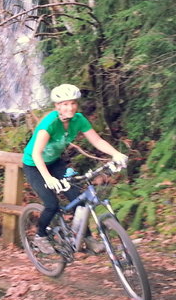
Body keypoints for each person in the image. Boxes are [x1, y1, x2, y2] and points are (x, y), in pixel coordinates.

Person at [22, 83, 128, 253]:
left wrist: (116, 154)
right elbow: (36, 154)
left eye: (72, 103)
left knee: (79, 200)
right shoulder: (49, 124)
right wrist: (48, 178)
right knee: (51, 204)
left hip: (55, 162)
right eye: (65, 104)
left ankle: (87, 238)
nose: (70, 108)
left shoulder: (78, 120)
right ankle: (40, 236)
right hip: (34, 165)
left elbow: (97, 140)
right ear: (57, 106)